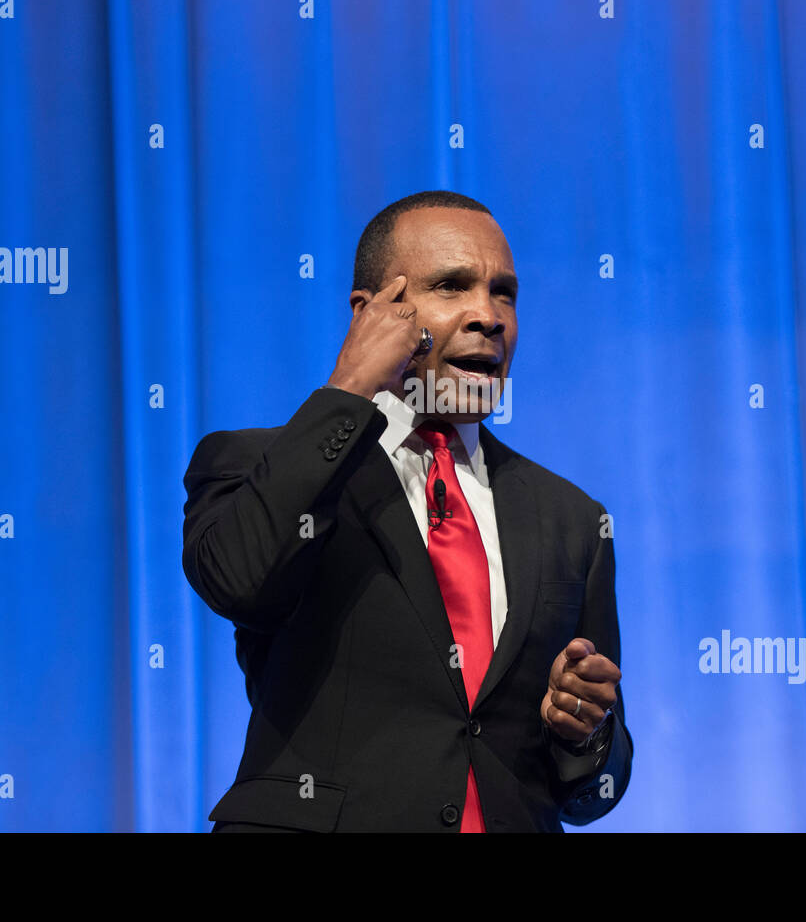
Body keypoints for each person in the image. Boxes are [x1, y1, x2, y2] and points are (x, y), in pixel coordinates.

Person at [181, 189, 633, 831]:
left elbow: (596, 794)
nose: (488, 315)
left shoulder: (572, 518)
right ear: (371, 314)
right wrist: (349, 389)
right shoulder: (261, 464)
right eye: (452, 287)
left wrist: (581, 733)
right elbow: (237, 579)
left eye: (503, 292)